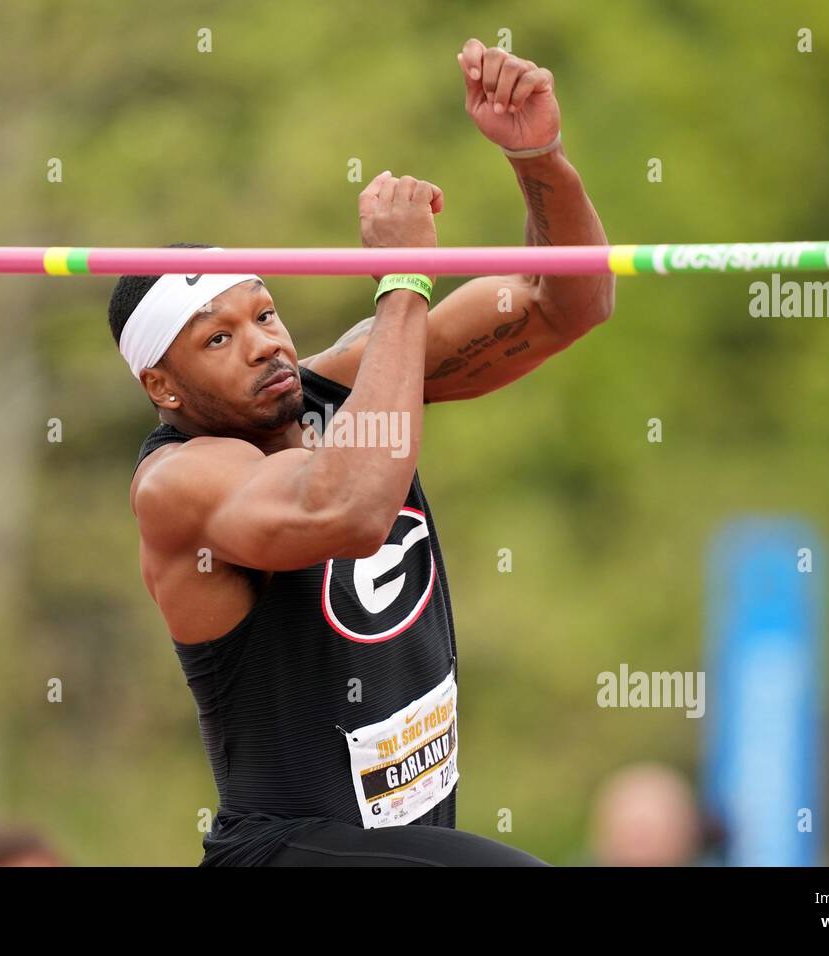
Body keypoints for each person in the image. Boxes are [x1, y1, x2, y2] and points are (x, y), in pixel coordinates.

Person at [112, 39, 612, 866]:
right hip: (289, 853)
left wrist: (539, 157)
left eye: (265, 316)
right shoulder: (179, 484)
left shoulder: (343, 381)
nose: (264, 346)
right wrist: (405, 282)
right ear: (165, 387)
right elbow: (348, 508)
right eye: (218, 339)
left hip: (408, 841)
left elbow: (568, 304)